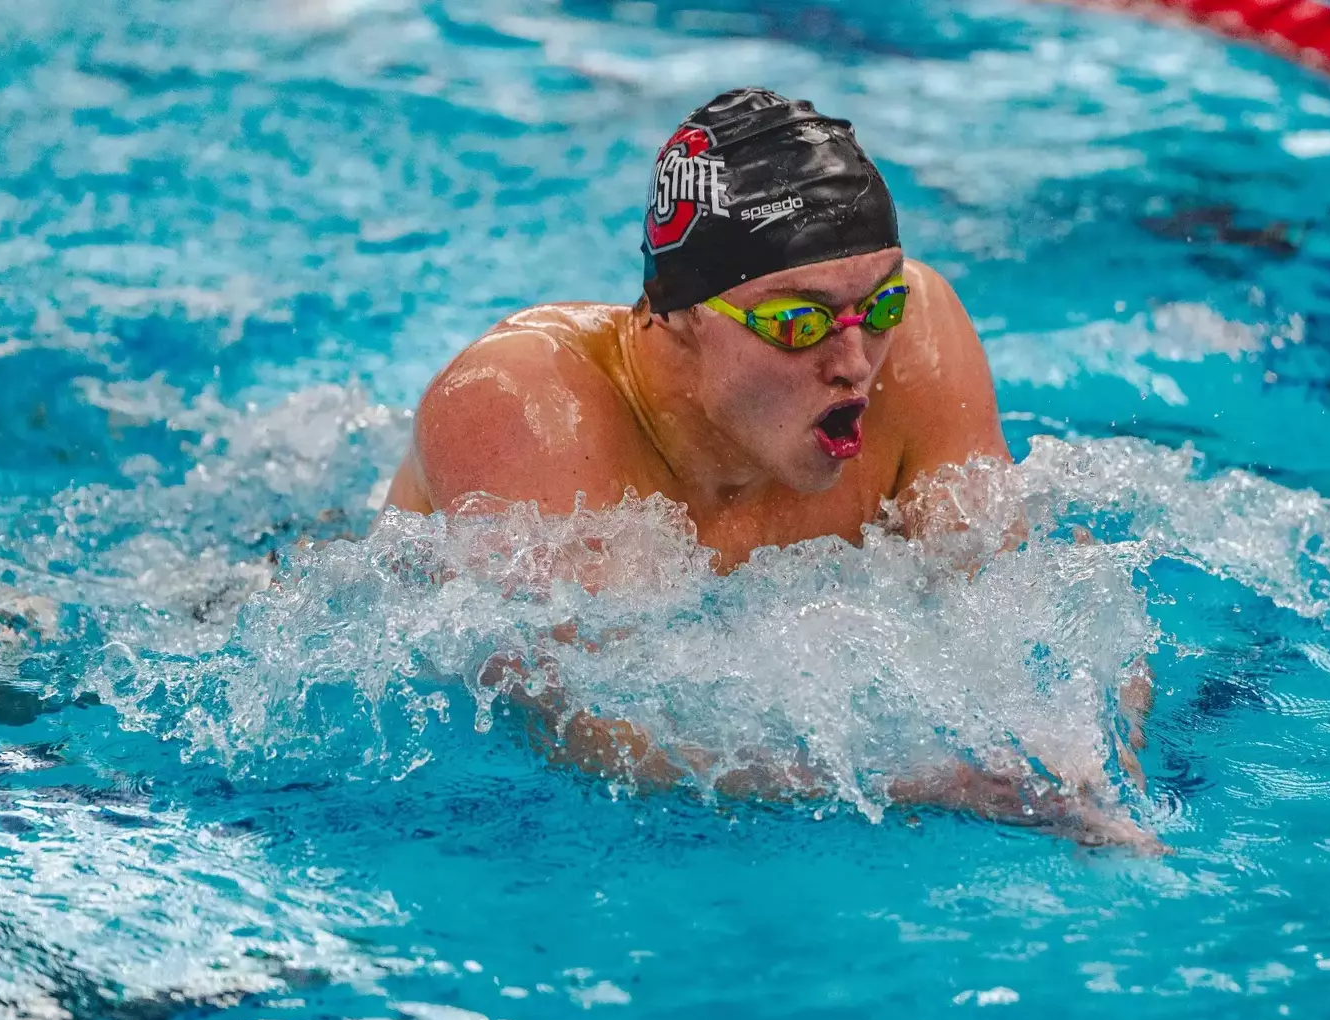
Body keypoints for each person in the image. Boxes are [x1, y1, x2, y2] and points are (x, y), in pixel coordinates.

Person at [382, 88, 1153, 848]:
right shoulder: (525, 406)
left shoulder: (919, 346)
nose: (855, 363)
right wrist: (934, 780)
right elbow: (600, 730)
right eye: (797, 322)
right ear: (680, 312)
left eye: (879, 309)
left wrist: (1098, 756)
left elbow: (1022, 603)